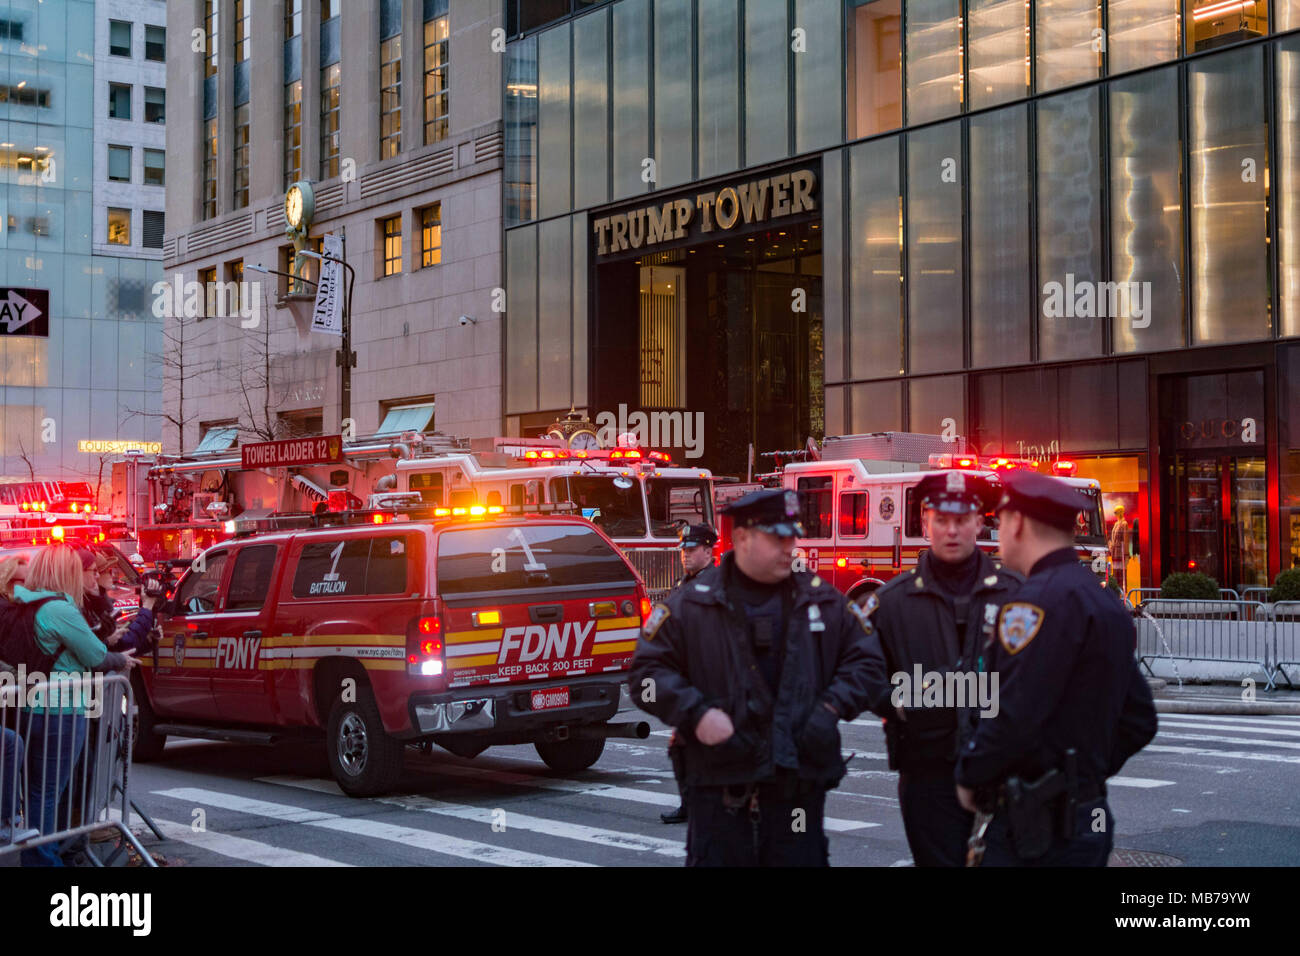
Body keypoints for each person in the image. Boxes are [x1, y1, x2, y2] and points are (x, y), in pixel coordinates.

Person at [629, 488, 875, 866]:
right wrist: (695, 713)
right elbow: (645, 677)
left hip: (797, 789)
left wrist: (830, 708)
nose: (788, 548)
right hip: (720, 792)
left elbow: (867, 664)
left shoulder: (821, 601)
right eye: (777, 538)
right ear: (742, 538)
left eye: (791, 537)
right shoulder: (693, 604)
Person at [955, 471, 1158, 867]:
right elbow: (1139, 719)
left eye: (999, 522)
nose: (998, 533)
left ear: (1018, 524)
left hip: (1033, 829)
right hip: (1085, 816)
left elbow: (1013, 714)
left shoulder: (1031, 605)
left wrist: (970, 774)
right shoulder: (1105, 603)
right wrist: (1082, 773)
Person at [859, 471, 1022, 866]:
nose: (952, 530)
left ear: (980, 523)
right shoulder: (892, 602)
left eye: (962, 520)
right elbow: (858, 670)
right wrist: (895, 702)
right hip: (928, 774)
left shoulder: (1016, 593)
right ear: (925, 521)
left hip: (1004, 770)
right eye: (941, 520)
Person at [13, 545, 136, 866]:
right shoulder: (60, 610)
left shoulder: (24, 604)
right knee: (51, 792)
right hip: (63, 710)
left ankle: (41, 854)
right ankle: (44, 857)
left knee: (40, 791)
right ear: (64, 572)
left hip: (32, 708)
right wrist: (120, 659)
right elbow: (95, 654)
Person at [660, 523, 718, 825]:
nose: (685, 555)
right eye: (683, 550)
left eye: (692, 550)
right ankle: (691, 804)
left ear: (708, 551)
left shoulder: (717, 585)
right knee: (682, 747)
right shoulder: (686, 583)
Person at [1108, 505, 1130, 596]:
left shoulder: (1124, 524)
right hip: (1115, 552)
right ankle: (1116, 593)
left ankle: (1122, 594)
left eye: (1116, 512)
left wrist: (1126, 554)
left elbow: (1126, 540)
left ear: (1121, 512)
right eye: (1114, 512)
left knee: (1121, 574)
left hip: (1121, 553)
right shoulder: (1116, 524)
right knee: (1116, 572)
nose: (1115, 514)